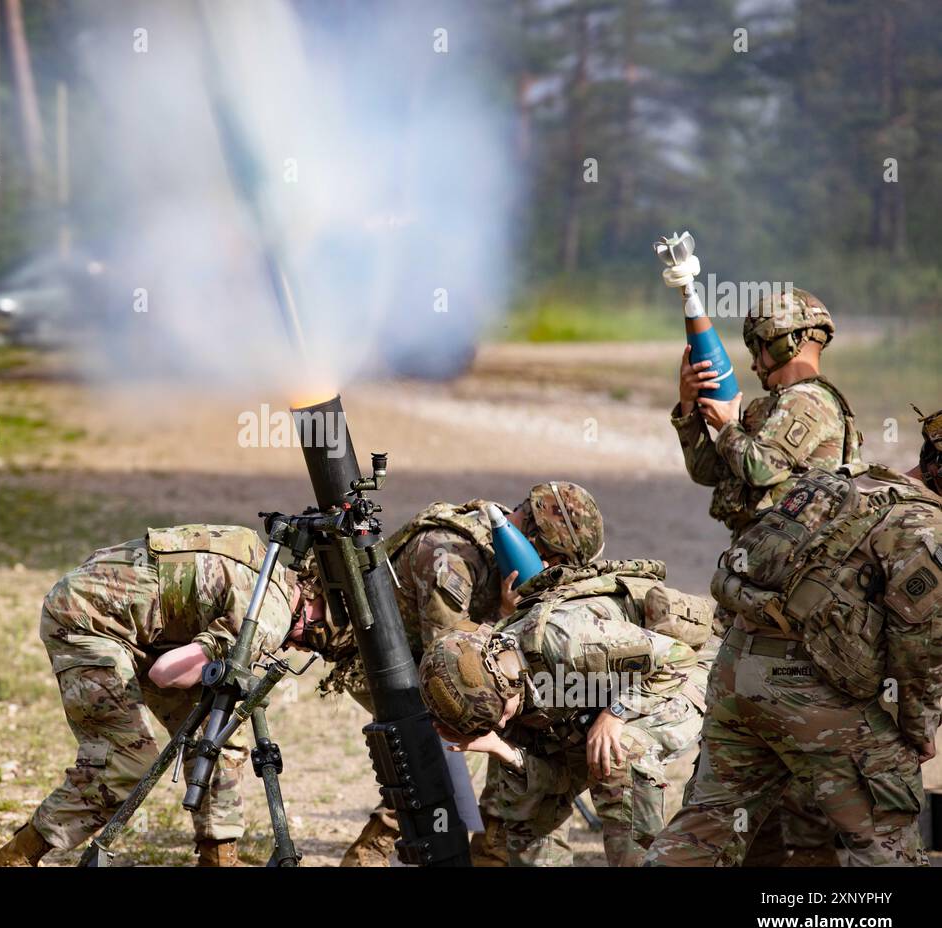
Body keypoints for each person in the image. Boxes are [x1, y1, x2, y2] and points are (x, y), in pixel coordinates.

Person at [646, 405, 942, 867]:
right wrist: (919, 730)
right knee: (887, 840)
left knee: (704, 831)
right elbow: (919, 650)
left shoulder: (842, 481)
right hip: (808, 692)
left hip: (737, 672)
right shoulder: (925, 528)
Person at [0, 524, 330, 867]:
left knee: (220, 736)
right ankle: (17, 857)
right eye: (314, 637)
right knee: (126, 761)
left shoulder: (266, 569)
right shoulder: (272, 615)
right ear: (317, 601)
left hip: (134, 626)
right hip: (87, 620)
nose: (298, 646)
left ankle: (219, 859)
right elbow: (166, 672)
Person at [671, 287, 857, 865]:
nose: (752, 363)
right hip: (760, 597)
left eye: (760, 347)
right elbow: (713, 472)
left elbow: (759, 466)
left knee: (792, 774)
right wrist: (689, 411)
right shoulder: (775, 406)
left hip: (790, 607)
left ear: (792, 342)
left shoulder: (809, 404)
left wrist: (728, 424)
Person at [330, 482, 605, 866]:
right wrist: (506, 619)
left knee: (515, 718)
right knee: (458, 735)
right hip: (385, 667)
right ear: (532, 539)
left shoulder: (496, 541)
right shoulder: (451, 560)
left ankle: (494, 849)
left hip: (429, 663)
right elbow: (452, 670)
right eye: (551, 561)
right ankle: (371, 853)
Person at [419, 557, 713, 866]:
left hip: (682, 673)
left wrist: (615, 714)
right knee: (526, 805)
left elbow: (677, 658)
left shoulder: (568, 642)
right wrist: (500, 747)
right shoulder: (495, 698)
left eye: (500, 712)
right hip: (586, 707)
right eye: (492, 721)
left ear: (505, 676)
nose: (502, 721)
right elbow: (552, 779)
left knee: (617, 753)